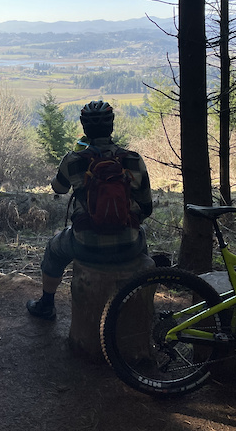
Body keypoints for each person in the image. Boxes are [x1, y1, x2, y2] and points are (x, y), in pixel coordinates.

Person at [26, 100, 154, 320]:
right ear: (111, 126)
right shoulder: (133, 159)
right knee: (139, 237)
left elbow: (58, 188)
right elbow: (147, 207)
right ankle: (144, 308)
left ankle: (46, 304)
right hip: (129, 246)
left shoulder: (73, 159)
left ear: (84, 128)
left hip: (85, 244)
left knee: (54, 250)